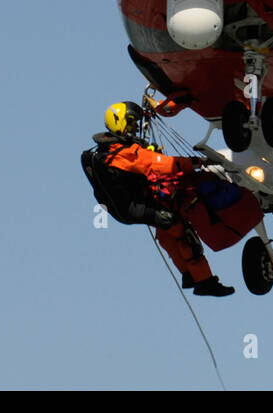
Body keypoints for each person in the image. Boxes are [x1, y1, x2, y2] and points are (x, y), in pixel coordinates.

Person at [87, 101, 235, 297]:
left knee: (167, 230)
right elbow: (162, 165)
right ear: (119, 123)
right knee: (179, 228)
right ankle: (205, 282)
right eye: (131, 123)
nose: (135, 128)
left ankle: (189, 276)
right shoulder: (125, 154)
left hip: (121, 208)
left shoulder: (104, 151)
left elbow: (134, 163)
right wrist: (196, 162)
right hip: (132, 208)